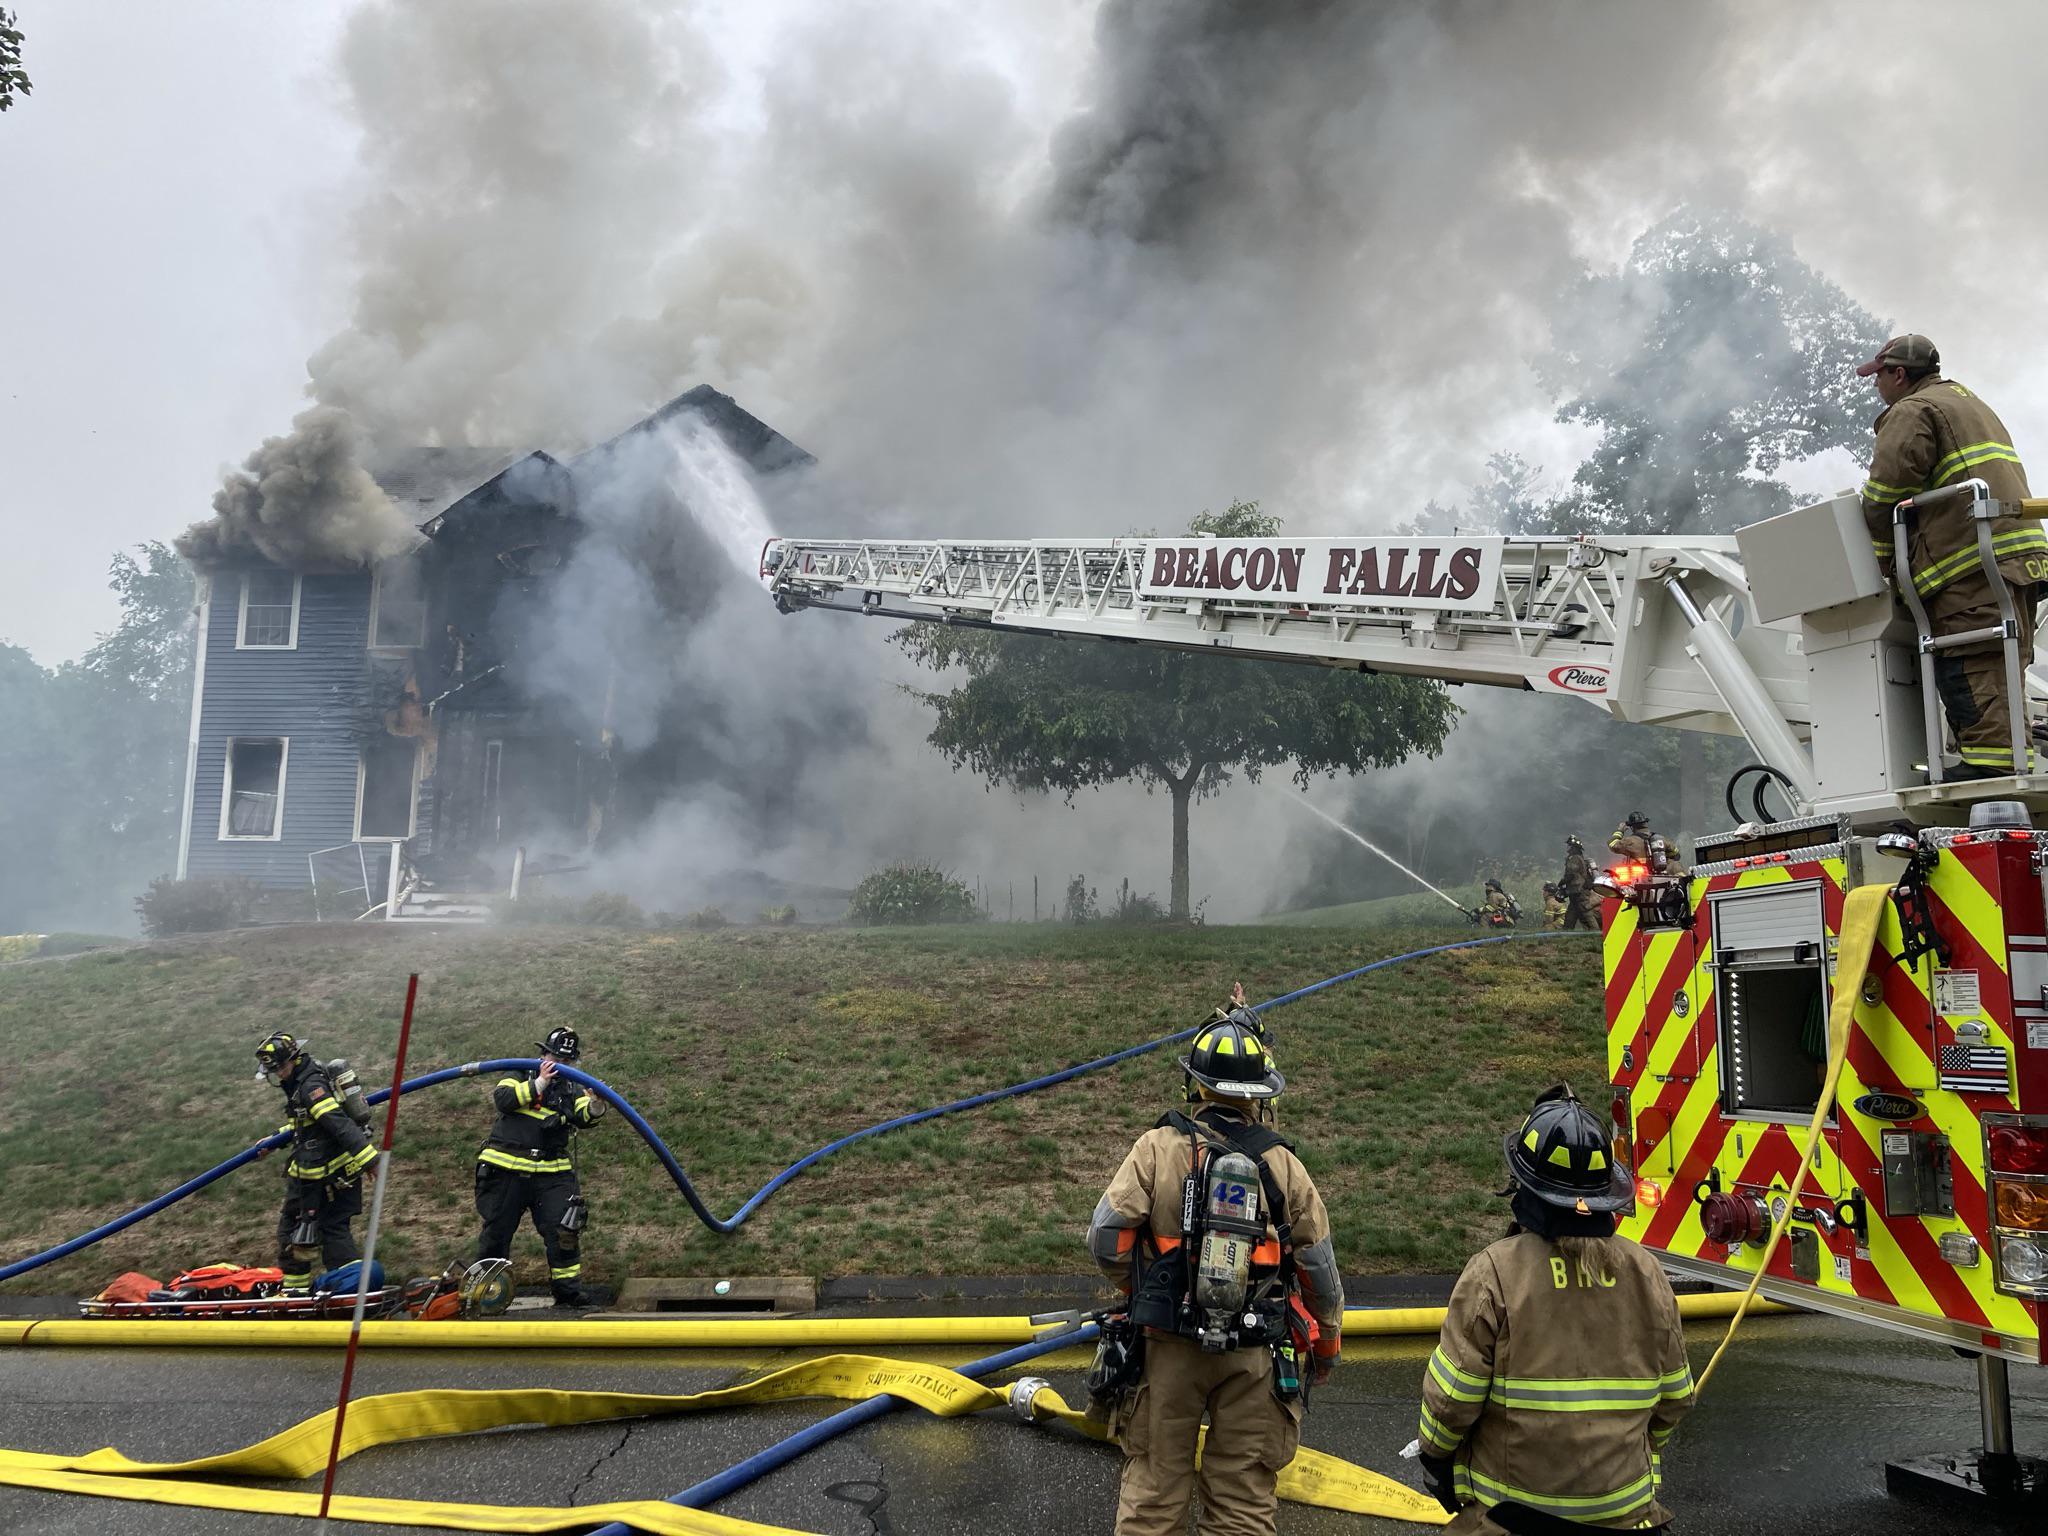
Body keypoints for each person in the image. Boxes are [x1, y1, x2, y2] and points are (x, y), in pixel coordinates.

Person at [1087, 998, 1344, 1536]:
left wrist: (1147, 1290)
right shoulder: (1283, 1165)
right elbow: (1320, 1272)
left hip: (1167, 1346)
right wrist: (1325, 1347)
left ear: (1198, 1086)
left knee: (1154, 1494)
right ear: (1258, 1093)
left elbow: (1105, 1236)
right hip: (1254, 1354)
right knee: (1242, 1502)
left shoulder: (1155, 1148)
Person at [1416, 1085, 1694, 1534]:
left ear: (1525, 1187)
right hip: (1625, 1519)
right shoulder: (1647, 1273)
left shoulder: (1494, 1273)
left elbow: (1452, 1402)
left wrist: (1435, 1457)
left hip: (1512, 1518)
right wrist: (1622, 1453)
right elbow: (1676, 1398)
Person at [1856, 334, 2047, 778]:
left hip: (1968, 562)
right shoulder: (1968, 402)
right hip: (2016, 555)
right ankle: (2008, 758)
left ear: (1899, 374)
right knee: (2004, 657)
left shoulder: (1910, 411)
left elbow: (1884, 496)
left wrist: (1888, 563)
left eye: (1879, 375)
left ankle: (1990, 768)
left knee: (1972, 658)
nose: (1876, 385)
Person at [476, 1026, 607, 1307]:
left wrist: (596, 1105)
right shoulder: (520, 1072)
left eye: (568, 1061)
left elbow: (583, 1115)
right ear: (544, 1053)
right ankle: (487, 1294)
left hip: (552, 1172)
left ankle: (568, 1293)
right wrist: (540, 1084)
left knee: (565, 1231)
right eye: (557, 1058)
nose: (562, 1066)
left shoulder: (572, 1085)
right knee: (496, 1234)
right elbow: (504, 1100)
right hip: (506, 1168)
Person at [255, 1033, 379, 1296]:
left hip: (322, 1179)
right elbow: (306, 1125)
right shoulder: (302, 1081)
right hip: (330, 1176)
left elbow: (338, 1123)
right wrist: (276, 1139)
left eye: (281, 1068)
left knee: (307, 1231)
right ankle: (323, 1294)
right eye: (274, 1071)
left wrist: (371, 1160)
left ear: (294, 1058)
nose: (279, 1075)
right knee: (325, 1229)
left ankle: (342, 1293)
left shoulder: (310, 1087)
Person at [1559, 835, 1599, 931]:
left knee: (1586, 912)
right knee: (1571, 914)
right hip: (1575, 891)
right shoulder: (1578, 857)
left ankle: (1596, 932)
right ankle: (1566, 932)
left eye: (1569, 846)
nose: (1567, 848)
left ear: (1574, 848)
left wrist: (1561, 882)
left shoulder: (1575, 858)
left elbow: (1571, 874)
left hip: (1579, 891)